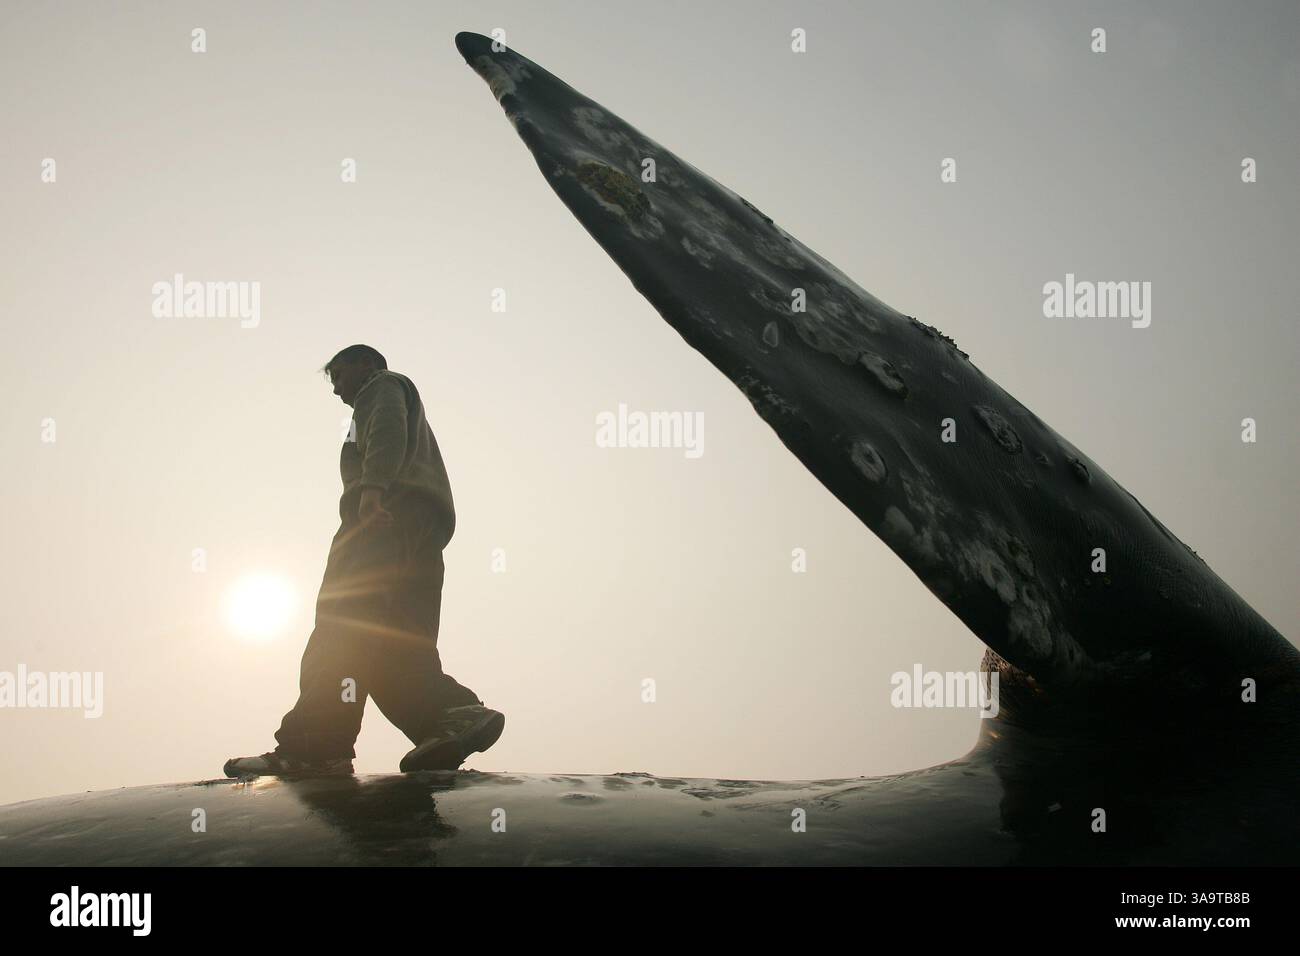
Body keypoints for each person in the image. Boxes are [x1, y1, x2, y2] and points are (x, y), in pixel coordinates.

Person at [224, 344, 504, 777]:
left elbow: (386, 429)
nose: (336, 389)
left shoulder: (383, 387)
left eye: (338, 376)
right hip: (418, 533)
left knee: (342, 626)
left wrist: (372, 492)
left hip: (382, 523)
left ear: (365, 364)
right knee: (390, 642)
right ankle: (449, 717)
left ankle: (314, 747)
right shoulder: (398, 402)